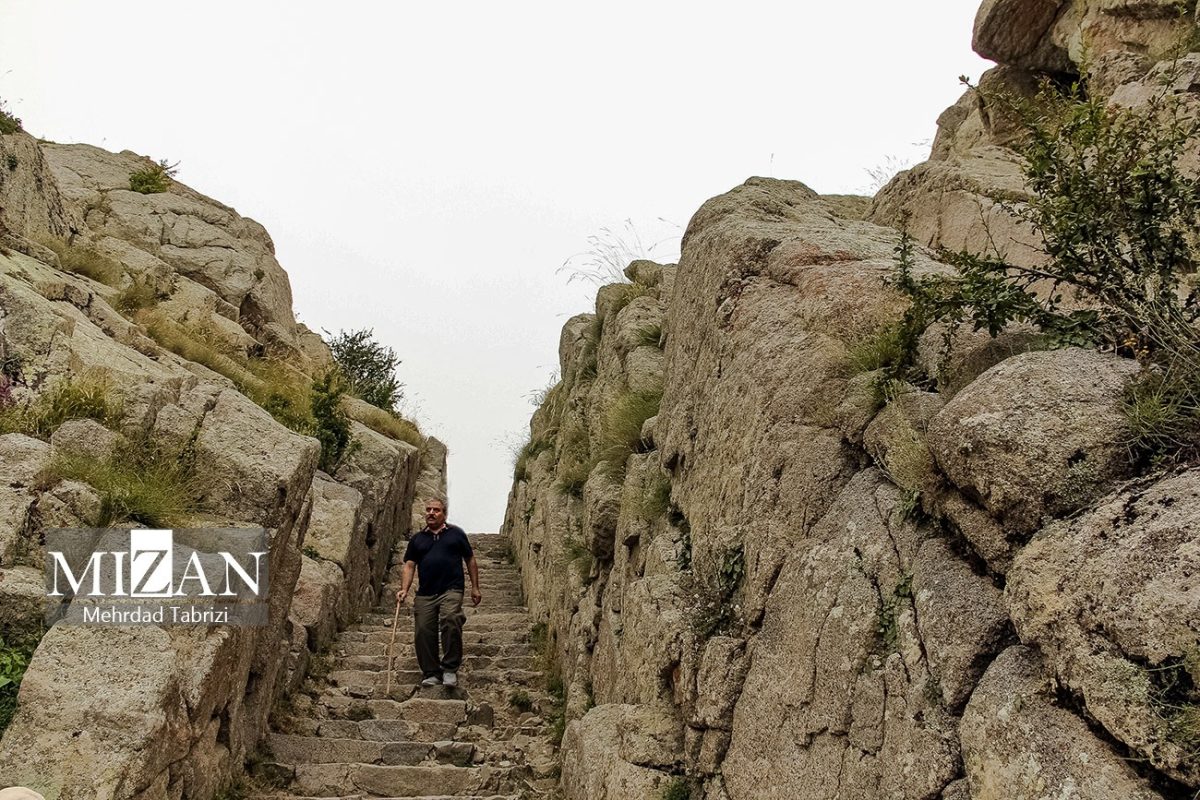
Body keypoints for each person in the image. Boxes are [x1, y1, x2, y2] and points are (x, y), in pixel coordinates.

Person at [396, 498, 481, 687]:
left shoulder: (456, 534)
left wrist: (475, 587)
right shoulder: (417, 539)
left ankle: (450, 669)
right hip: (425, 593)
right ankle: (432, 672)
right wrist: (404, 589)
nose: (431, 513)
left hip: (451, 589)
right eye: (428, 509)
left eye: (436, 510)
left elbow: (470, 560)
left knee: (451, 619)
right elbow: (409, 565)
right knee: (423, 630)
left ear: (444, 514)